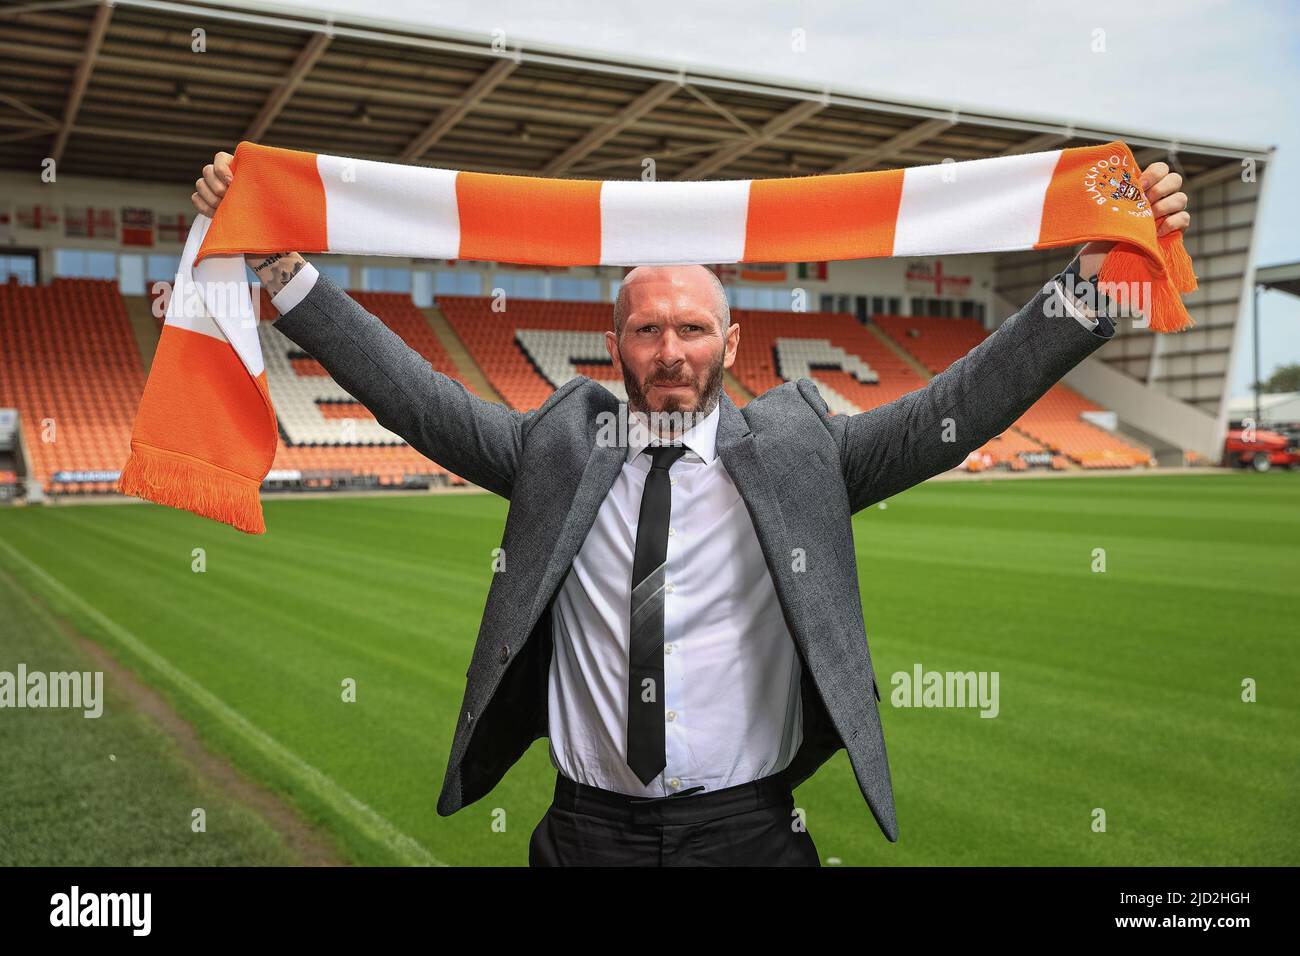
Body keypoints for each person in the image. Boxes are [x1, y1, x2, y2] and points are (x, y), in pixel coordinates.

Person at [193, 152, 1189, 866]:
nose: (670, 350)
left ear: (730, 337)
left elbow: (961, 405)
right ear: (614, 341)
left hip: (750, 831)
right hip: (585, 830)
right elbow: (420, 399)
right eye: (647, 329)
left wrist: (1096, 282)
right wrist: (284, 274)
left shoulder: (806, 455)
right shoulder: (557, 450)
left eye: (692, 328)